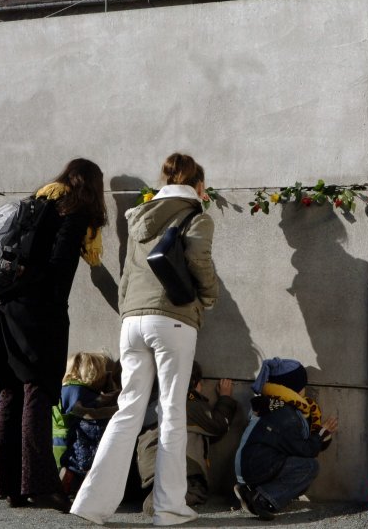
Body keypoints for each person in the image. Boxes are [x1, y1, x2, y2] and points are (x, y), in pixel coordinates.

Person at [71, 152, 218, 526]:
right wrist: (208, 298)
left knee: (127, 410)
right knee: (172, 410)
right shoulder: (195, 215)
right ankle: (169, 508)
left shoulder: (140, 217)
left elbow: (127, 274)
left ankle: (91, 503)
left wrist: (128, 315)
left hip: (132, 321)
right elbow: (199, 260)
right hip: (172, 320)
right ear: (198, 185)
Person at [0, 158, 108, 511]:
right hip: (39, 316)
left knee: (11, 393)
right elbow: (59, 268)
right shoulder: (74, 211)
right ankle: (41, 485)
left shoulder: (40, 200)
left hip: (5, 308)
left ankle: (11, 486)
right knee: (37, 394)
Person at [234, 358, 338, 521]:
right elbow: (305, 450)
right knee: (309, 467)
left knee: (296, 464)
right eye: (303, 385)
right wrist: (320, 434)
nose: (306, 389)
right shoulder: (286, 414)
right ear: (296, 388)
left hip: (247, 466)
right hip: (257, 467)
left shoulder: (269, 404)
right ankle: (262, 499)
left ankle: (250, 491)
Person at [138, 361, 237, 514]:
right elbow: (219, 426)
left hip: (147, 473)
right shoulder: (191, 403)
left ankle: (157, 494)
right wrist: (225, 398)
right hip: (181, 473)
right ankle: (161, 501)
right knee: (197, 492)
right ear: (196, 383)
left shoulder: (152, 401)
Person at [53, 352, 119, 497]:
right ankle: (84, 480)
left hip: (55, 442)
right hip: (71, 443)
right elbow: (96, 413)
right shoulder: (83, 392)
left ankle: (66, 478)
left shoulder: (62, 389)